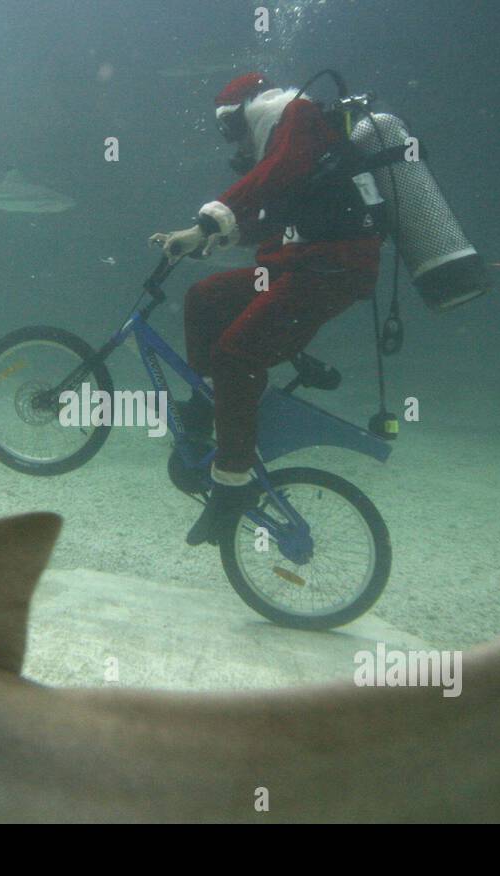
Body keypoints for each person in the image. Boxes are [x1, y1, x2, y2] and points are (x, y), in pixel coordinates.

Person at [150, 72, 384, 546]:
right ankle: (208, 407)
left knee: (237, 355)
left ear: (244, 113)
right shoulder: (293, 132)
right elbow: (275, 214)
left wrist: (208, 220)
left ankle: (232, 487)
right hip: (301, 265)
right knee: (205, 297)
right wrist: (213, 237)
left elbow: (276, 172)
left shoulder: (295, 118)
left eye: (230, 130)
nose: (235, 145)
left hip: (327, 270)